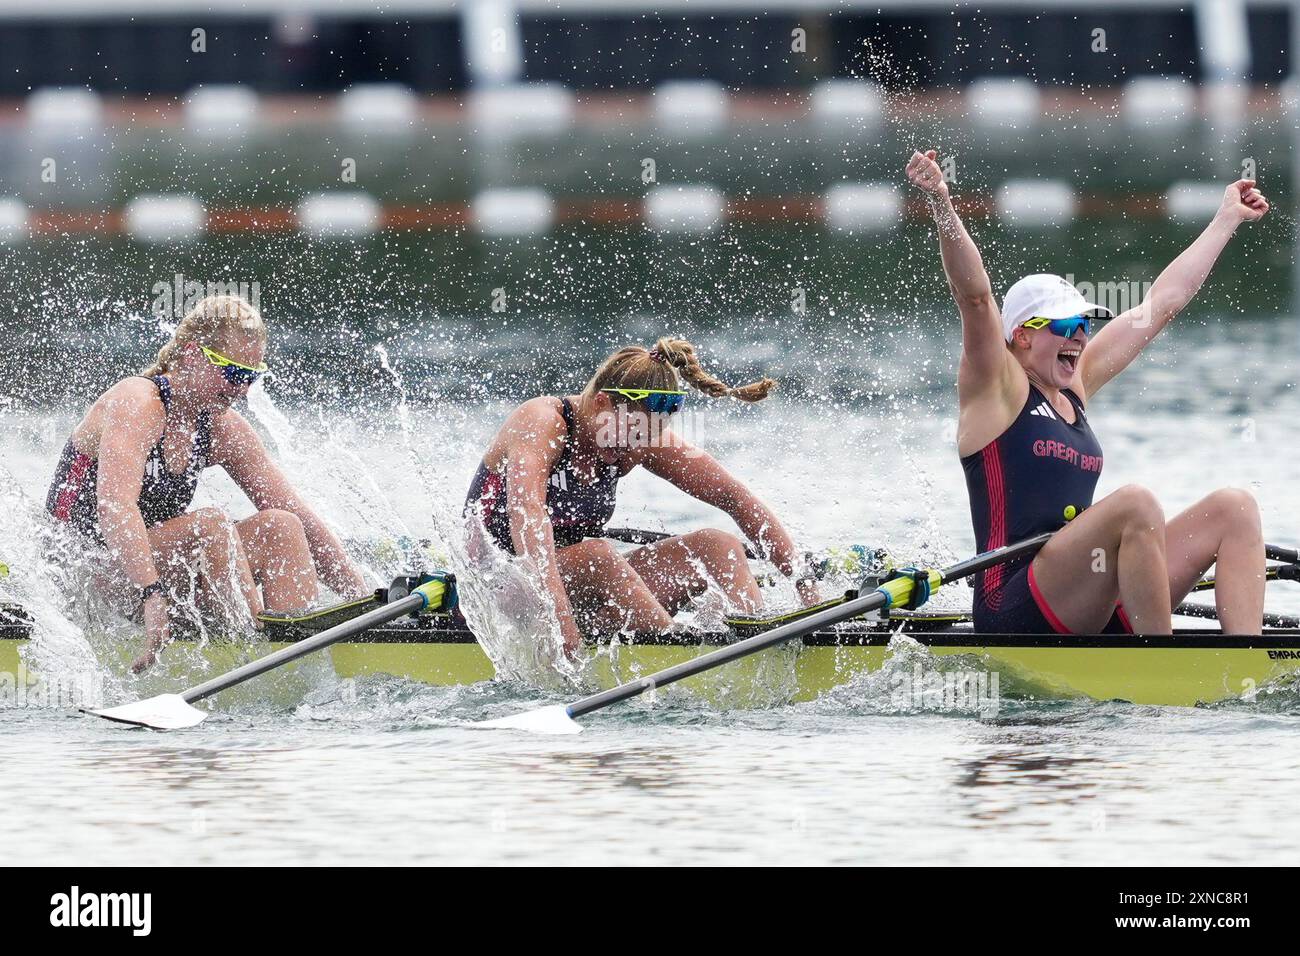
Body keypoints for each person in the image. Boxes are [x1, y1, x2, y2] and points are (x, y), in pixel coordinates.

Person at [906, 148, 1269, 635]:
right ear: (1023, 335)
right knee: (1136, 503)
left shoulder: (1074, 385)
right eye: (1067, 324)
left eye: (1085, 324)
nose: (1080, 335)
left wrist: (1226, 219)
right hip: (1012, 605)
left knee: (1235, 508)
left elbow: (1159, 305)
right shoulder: (996, 387)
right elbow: (974, 297)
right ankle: (1158, 673)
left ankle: (1245, 664)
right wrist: (941, 204)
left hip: (1090, 593)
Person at [46, 294, 368, 671]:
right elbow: (115, 506)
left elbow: (301, 514)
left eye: (251, 376)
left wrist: (366, 601)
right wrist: (153, 595)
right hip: (88, 573)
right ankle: (256, 651)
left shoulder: (221, 428)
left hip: (150, 569)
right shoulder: (138, 402)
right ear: (191, 354)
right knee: (210, 526)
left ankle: (296, 653)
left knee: (283, 525)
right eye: (233, 373)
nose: (242, 389)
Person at [465, 337, 820, 653]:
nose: (634, 452)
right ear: (602, 403)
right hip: (500, 588)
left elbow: (736, 499)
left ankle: (758, 646)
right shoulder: (541, 422)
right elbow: (527, 515)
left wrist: (806, 587)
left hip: (575, 591)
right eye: (628, 438)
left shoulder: (634, 433)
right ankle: (672, 653)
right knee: (598, 556)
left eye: (644, 440)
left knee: (721, 546)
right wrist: (562, 625)